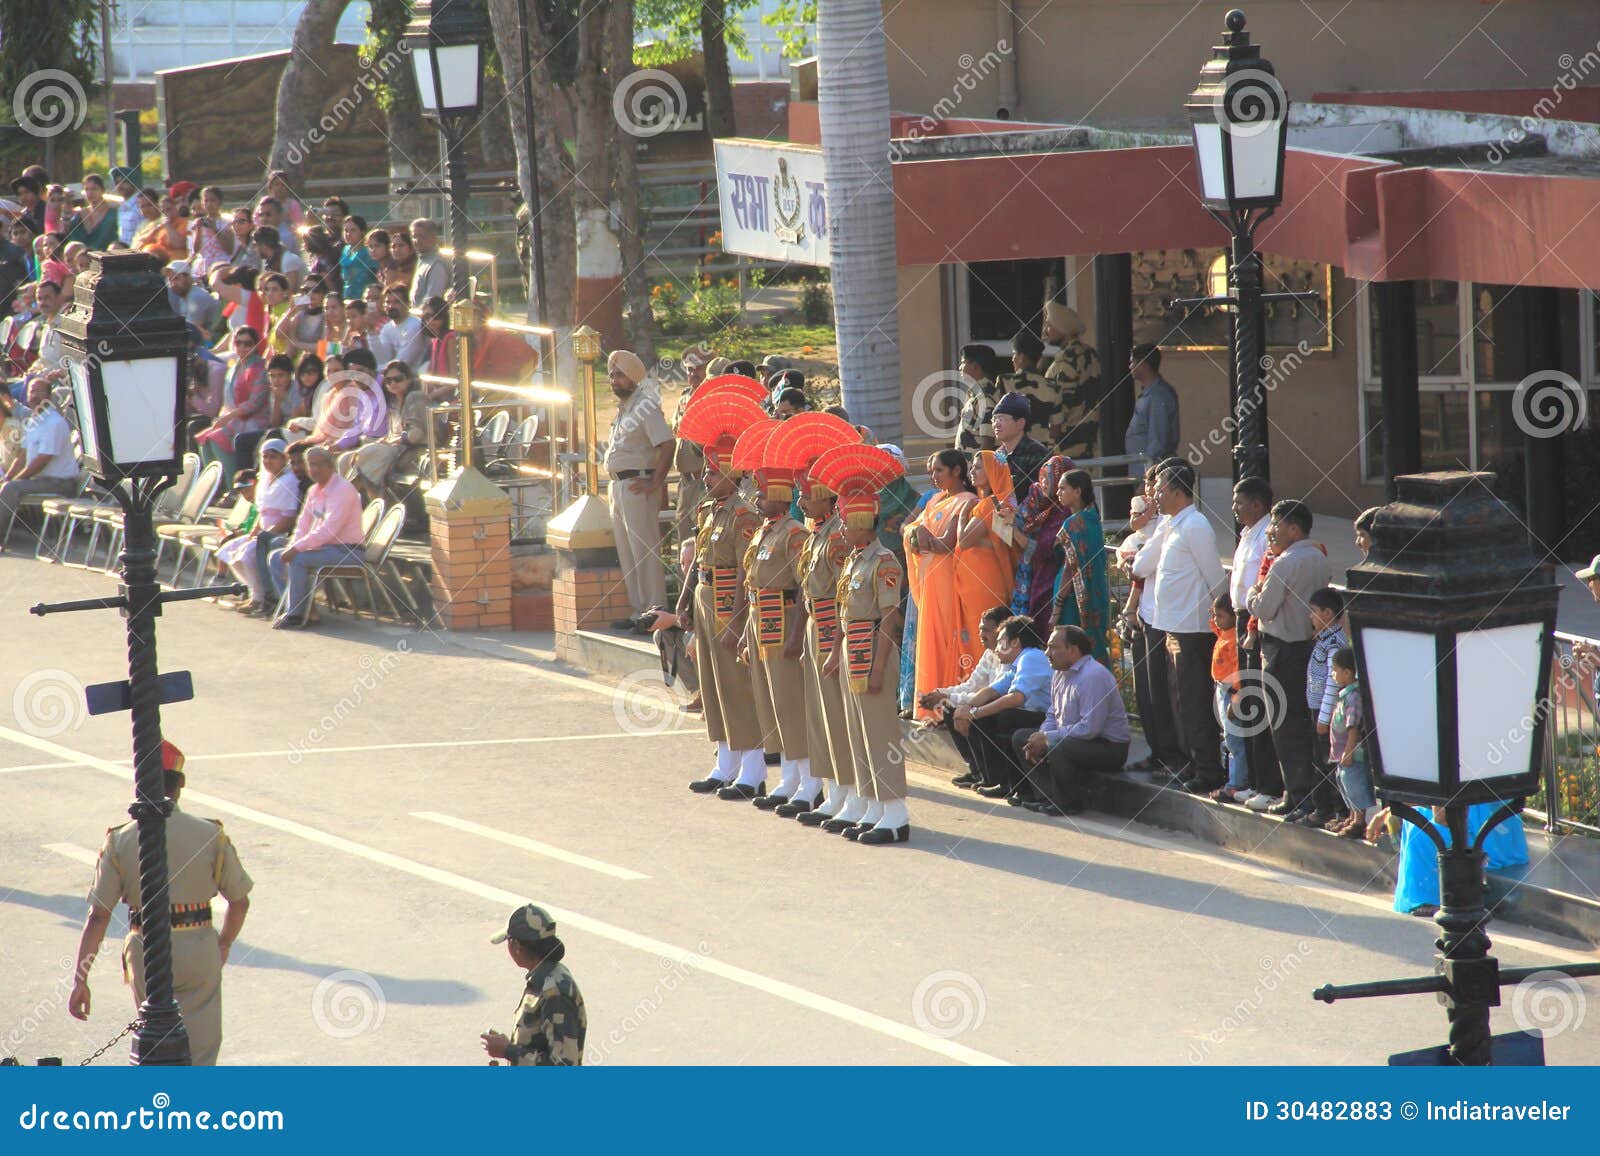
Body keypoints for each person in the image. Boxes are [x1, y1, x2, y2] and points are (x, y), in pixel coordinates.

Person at [69, 742, 253, 1066]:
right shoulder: (209, 834)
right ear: (180, 784)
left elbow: (98, 917)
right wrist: (222, 945)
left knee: (156, 1047)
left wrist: (80, 980)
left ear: (140, 782)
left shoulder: (120, 839)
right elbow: (240, 902)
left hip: (146, 949)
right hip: (198, 945)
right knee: (201, 1049)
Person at [816, 443, 911, 844]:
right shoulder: (854, 558)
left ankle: (895, 812)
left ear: (860, 518)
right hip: (852, 649)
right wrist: (836, 651)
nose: (839, 527)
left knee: (879, 731)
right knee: (857, 730)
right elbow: (842, 612)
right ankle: (872, 804)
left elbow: (889, 617)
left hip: (874, 649)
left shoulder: (884, 561)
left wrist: (876, 667)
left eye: (844, 519)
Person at [678, 390, 770, 796]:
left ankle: (753, 770)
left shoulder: (745, 515)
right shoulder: (707, 511)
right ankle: (724, 761)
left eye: (713, 473)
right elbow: (699, 560)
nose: (706, 478)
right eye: (705, 472)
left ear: (732, 474)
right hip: (703, 596)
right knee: (713, 686)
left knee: (736, 686)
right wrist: (683, 601)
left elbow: (747, 575)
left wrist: (735, 620)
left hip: (727, 605)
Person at [778, 413, 860, 820]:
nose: (802, 502)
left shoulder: (838, 538)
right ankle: (831, 791)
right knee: (819, 711)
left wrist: (836, 640)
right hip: (814, 623)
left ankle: (850, 792)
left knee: (837, 711)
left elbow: (845, 595)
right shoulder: (816, 535)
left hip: (831, 626)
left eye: (807, 496)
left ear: (827, 499)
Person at [1133, 459, 1225, 792]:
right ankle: (1190, 763)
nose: (1154, 495)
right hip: (1171, 628)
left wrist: (1225, 619)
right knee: (1180, 703)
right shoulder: (1172, 524)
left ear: (1176, 491)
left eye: (1159, 489)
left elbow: (1215, 577)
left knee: (1195, 702)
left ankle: (1208, 770)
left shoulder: (1195, 525)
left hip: (1192, 629)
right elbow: (1140, 567)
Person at [740, 430, 814, 811]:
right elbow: (752, 580)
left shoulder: (796, 535)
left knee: (789, 702)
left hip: (783, 619)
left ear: (780, 496)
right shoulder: (763, 532)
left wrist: (797, 634)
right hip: (759, 618)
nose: (756, 497)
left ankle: (808, 781)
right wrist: (745, 634)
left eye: (762, 492)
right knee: (771, 703)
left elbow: (804, 589)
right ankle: (789, 777)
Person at [1245, 499, 1333, 822]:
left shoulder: (1283, 563)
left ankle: (1296, 795)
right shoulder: (1320, 558)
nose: (1269, 532)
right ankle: (1309, 795)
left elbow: (1263, 607)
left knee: (1283, 725)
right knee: (1306, 722)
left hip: (1281, 651)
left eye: (1275, 525)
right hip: (1309, 649)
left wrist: (1252, 593)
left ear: (1294, 529)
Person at [1014, 624, 1131, 815]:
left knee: (1058, 746)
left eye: (1053, 647)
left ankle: (1068, 803)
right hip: (1077, 739)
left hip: (1108, 747)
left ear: (1073, 650)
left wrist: (1047, 738)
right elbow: (1053, 714)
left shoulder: (1093, 676)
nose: (1047, 653)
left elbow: (1090, 728)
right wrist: (1041, 735)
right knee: (1022, 738)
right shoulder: (1060, 672)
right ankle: (1047, 797)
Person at [903, 449, 978, 717]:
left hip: (949, 582)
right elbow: (907, 529)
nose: (933, 476)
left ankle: (948, 707)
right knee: (930, 639)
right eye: (931, 471)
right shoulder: (934, 500)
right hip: (930, 583)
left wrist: (920, 531)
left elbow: (947, 544)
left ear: (956, 471)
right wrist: (916, 530)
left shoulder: (967, 501)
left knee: (948, 639)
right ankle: (929, 708)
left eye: (938, 470)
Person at [602, 349, 675, 629]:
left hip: (637, 484)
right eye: (611, 375)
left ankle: (655, 614)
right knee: (628, 553)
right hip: (618, 485)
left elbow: (667, 443)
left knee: (644, 552)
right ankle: (639, 612)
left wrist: (656, 481)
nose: (614, 380)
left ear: (633, 376)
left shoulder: (646, 405)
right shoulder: (625, 408)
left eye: (619, 374)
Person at [1119, 466, 1184, 778]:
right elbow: (1132, 556)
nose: (1152, 493)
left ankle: (1176, 757)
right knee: (1146, 690)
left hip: (1166, 617)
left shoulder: (1177, 525)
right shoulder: (1149, 526)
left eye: (1157, 486)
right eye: (1149, 485)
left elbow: (1144, 566)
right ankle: (1157, 752)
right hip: (1144, 613)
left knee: (1166, 691)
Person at [950, 614, 1053, 804]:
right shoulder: (1017, 662)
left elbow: (1016, 698)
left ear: (1015, 642)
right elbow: (991, 691)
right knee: (991, 717)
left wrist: (973, 714)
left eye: (1000, 642)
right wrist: (965, 708)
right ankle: (1007, 783)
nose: (996, 648)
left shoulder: (1031, 657)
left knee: (1002, 717)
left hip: (1049, 719)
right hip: (1031, 714)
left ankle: (1017, 786)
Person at [268, 445, 366, 629]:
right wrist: (293, 544)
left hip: (347, 550)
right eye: (310, 465)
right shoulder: (313, 490)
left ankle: (296, 614)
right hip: (324, 548)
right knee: (275, 557)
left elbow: (329, 530)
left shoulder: (342, 489)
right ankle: (304, 609)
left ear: (330, 466)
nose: (314, 469)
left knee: (298, 558)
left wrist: (297, 549)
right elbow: (303, 525)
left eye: (318, 465)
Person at [480, 904, 586, 1066]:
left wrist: (508, 1050)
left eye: (508, 941)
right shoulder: (544, 977)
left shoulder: (554, 993)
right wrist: (512, 1046)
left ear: (516, 946)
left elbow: (564, 1065)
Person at [923, 605, 1011, 786]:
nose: (981, 635)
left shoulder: (1011, 655)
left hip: (1007, 707)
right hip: (990, 703)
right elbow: (972, 685)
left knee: (974, 716)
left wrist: (948, 698)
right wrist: (942, 694)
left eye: (986, 630)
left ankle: (992, 776)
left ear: (1001, 630)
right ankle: (977, 770)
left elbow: (994, 694)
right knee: (949, 709)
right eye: (980, 630)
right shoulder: (989, 654)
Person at [954, 449, 1019, 658]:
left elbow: (964, 540)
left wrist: (963, 514)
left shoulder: (989, 505)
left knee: (984, 635)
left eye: (979, 467)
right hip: (981, 579)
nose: (972, 470)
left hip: (983, 581)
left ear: (993, 471)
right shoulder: (995, 502)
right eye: (972, 466)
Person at [0, 377, 78, 550]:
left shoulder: (53, 422)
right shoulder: (35, 421)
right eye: (31, 391)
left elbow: (42, 460)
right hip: (41, 481)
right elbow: (23, 456)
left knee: (10, 489)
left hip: (60, 483)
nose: (34, 395)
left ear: (48, 396)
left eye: (38, 391)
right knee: (6, 484)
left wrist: (14, 481)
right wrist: (8, 477)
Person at [340, 361, 428, 502]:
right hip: (397, 447)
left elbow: (416, 434)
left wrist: (393, 441)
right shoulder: (393, 402)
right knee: (345, 459)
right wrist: (386, 440)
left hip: (414, 450)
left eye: (398, 379)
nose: (393, 383)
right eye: (388, 380)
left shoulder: (415, 397)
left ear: (409, 379)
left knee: (367, 454)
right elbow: (393, 433)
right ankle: (358, 500)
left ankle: (363, 500)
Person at [194, 326, 268, 479]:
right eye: (238, 343)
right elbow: (226, 401)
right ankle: (215, 487)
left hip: (254, 420)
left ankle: (232, 488)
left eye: (247, 343)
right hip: (234, 419)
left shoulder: (261, 368)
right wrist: (221, 418)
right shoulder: (234, 367)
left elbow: (255, 403)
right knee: (205, 439)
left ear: (255, 345)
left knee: (217, 438)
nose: (242, 347)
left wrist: (227, 418)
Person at [1052, 468, 1110, 661]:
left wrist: (1057, 607)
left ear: (1077, 491)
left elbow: (1071, 568)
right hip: (1093, 595)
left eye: (1063, 488)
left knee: (1071, 653)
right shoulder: (1092, 517)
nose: (1058, 493)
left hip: (1072, 601)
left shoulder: (1074, 524)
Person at [1011, 454, 1073, 625]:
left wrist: (1012, 531)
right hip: (1033, 575)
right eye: (1043, 477)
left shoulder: (1064, 512)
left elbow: (1042, 550)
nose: (1044, 482)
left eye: (1050, 478)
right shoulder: (1037, 500)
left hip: (1053, 577)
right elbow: (1019, 518)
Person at [1306, 587, 1349, 829]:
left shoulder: (1334, 643)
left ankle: (1331, 809)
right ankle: (1326, 808)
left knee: (1327, 762)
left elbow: (1333, 684)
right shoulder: (1324, 639)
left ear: (1328, 613)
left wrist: (1323, 719)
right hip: (1319, 711)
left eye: (1313, 612)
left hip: (1327, 714)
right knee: (1321, 760)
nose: (1310, 617)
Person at [1208, 594, 1254, 804]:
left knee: (1234, 738)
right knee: (1228, 736)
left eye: (1220, 616)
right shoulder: (1224, 633)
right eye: (1214, 615)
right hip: (1221, 688)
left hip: (1230, 691)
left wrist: (1236, 695)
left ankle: (1236, 782)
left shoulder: (1232, 639)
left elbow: (1237, 670)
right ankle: (1233, 779)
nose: (1216, 620)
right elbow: (1216, 626)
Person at [1324, 648, 1373, 839]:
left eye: (1335, 670)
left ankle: (1359, 821)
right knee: (1346, 785)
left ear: (1347, 672)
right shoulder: (1344, 694)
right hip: (1341, 753)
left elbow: (1353, 727)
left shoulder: (1354, 696)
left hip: (1352, 753)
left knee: (1355, 785)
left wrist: (1349, 751)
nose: (1333, 674)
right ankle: (1352, 817)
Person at [1042, 301, 1101, 458]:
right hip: (1091, 442)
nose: (1046, 331)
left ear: (1063, 329)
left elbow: (1059, 410)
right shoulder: (1090, 354)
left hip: (1067, 448)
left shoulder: (1064, 362)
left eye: (1049, 325)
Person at [1123, 343, 1179, 462]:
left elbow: (1158, 440)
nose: (1130, 367)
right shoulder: (1150, 393)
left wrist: (1149, 472)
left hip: (1150, 469)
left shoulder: (1158, 396)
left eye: (1132, 362)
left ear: (1143, 365)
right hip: (1142, 466)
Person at [1002, 328, 1059, 439]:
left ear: (1022, 357)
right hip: (1042, 451)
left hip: (1013, 450)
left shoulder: (1005, 382)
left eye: (1014, 354)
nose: (1012, 359)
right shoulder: (1052, 386)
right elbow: (1056, 428)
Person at [990, 390, 1048, 498]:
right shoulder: (995, 455)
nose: (996, 424)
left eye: (1001, 419)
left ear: (1020, 423)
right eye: (994, 419)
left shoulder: (1038, 453)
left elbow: (1040, 495)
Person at [955, 343, 1002, 452]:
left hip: (976, 467)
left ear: (975, 366)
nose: (960, 367)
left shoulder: (984, 398)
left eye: (963, 362)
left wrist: (981, 465)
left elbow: (988, 439)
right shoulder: (977, 394)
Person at [370, 284, 426, 373]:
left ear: (408, 304)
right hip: (393, 378)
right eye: (388, 302)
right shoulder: (387, 327)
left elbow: (403, 363)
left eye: (396, 302)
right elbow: (382, 359)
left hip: (414, 379)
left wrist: (374, 370)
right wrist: (371, 331)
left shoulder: (415, 326)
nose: (391, 306)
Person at [65, 173, 119, 250]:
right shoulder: (79, 215)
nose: (90, 193)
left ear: (102, 190)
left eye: (94, 189)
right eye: (87, 189)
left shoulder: (113, 213)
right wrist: (67, 203)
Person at [166, 260, 220, 330]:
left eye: (176, 278)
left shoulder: (196, 296)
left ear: (188, 277)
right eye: (170, 280)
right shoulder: (185, 296)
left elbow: (193, 331)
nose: (173, 284)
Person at [339, 216, 379, 302]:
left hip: (364, 299)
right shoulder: (346, 250)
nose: (348, 234)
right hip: (347, 297)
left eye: (353, 230)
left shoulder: (369, 252)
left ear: (362, 232)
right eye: (346, 230)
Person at [410, 218, 448, 304]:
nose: (417, 241)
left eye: (421, 236)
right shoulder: (422, 259)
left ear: (433, 237)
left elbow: (432, 301)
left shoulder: (437, 264)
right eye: (414, 236)